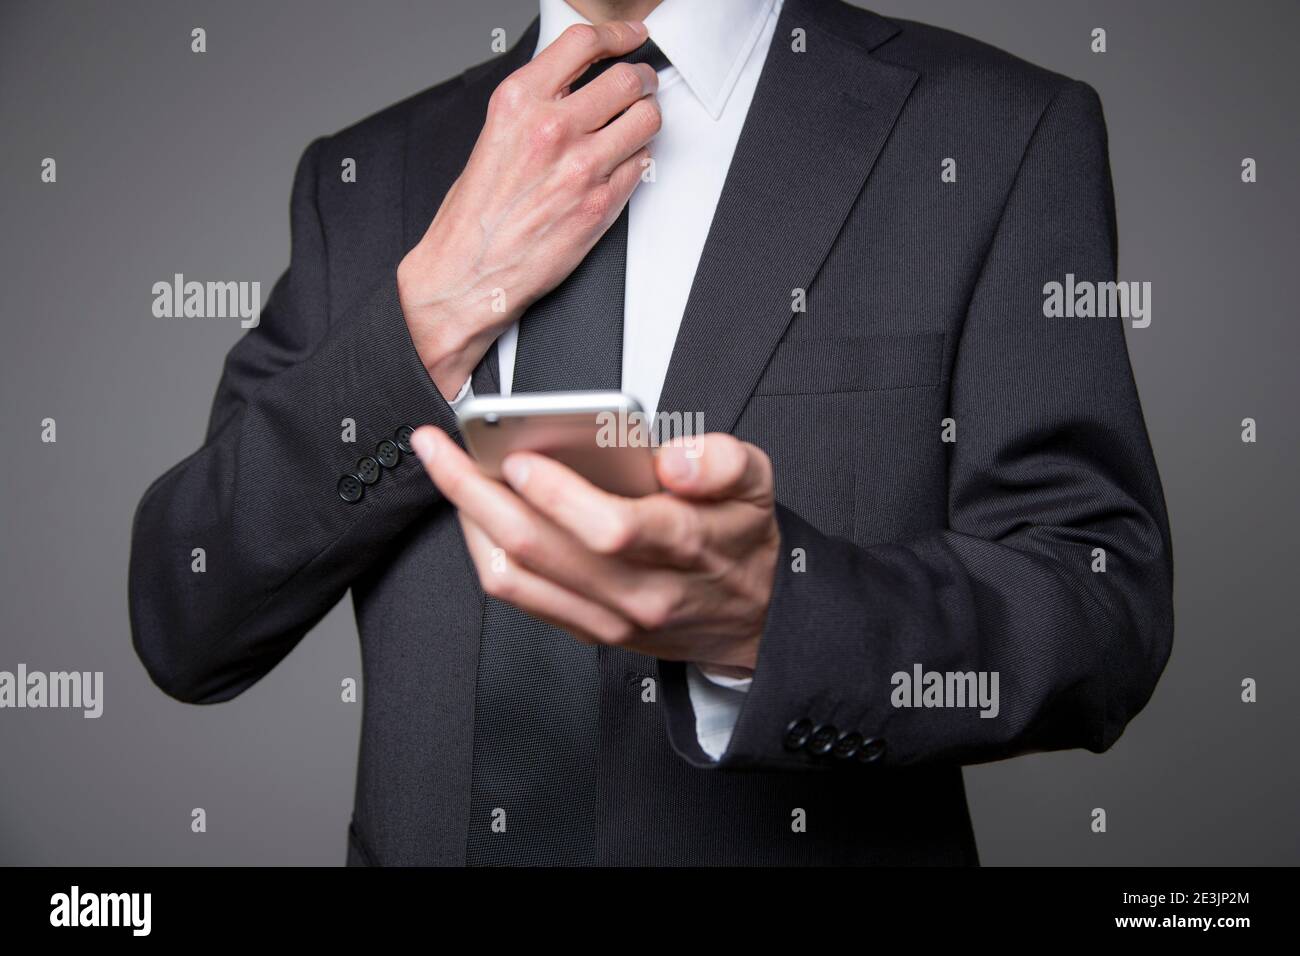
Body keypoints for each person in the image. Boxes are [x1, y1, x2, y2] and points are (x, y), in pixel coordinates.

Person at [129, 0, 1174, 865]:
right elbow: (188, 611)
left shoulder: (992, 130)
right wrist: (433, 313)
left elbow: (1100, 602)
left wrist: (775, 616)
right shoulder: (362, 177)